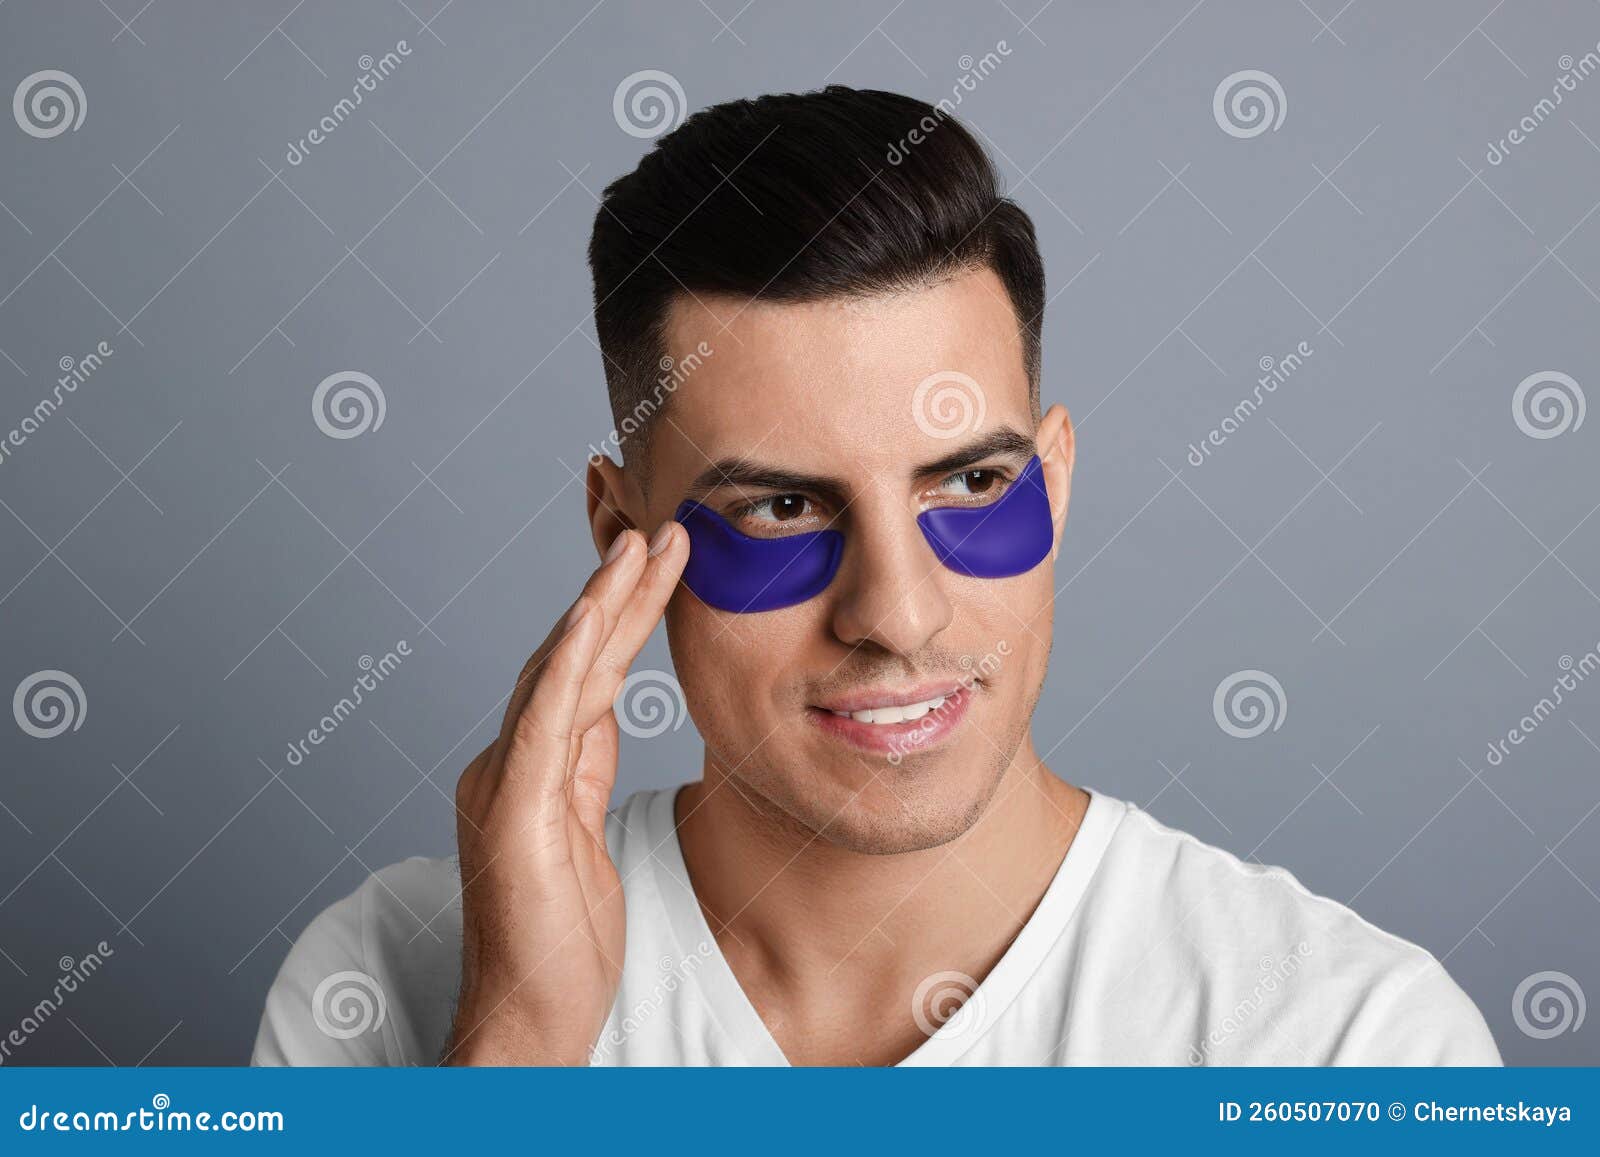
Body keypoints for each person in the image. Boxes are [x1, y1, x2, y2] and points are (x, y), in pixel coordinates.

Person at [252, 86, 1499, 1067]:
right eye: (783, 506)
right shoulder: (391, 982)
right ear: (619, 534)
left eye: (967, 485)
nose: (896, 614)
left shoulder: (1345, 1039)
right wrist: (521, 1050)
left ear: (1053, 482)